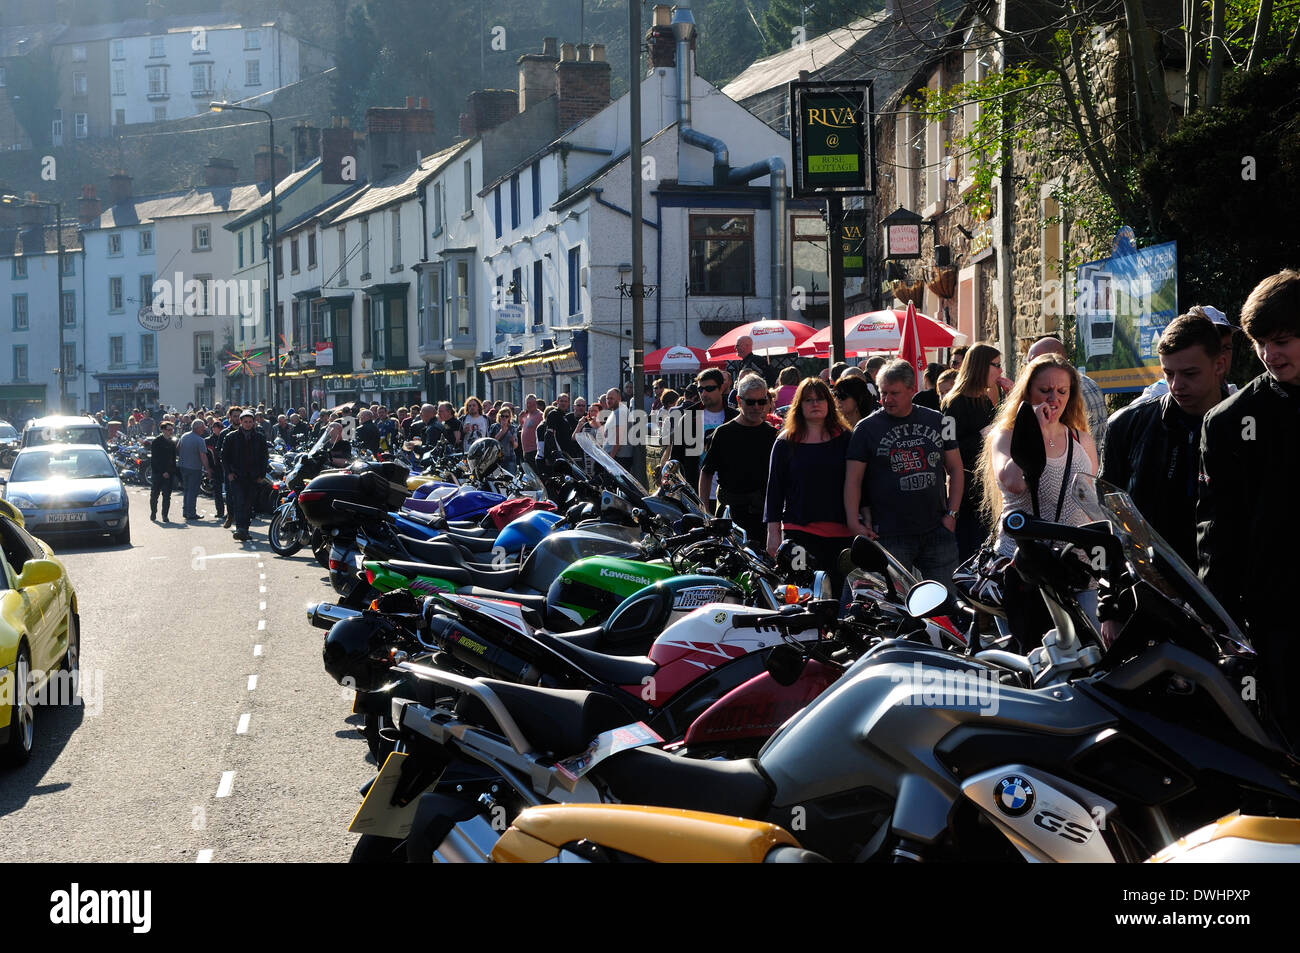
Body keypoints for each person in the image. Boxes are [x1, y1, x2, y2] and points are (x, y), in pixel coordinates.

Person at [1197, 269, 1300, 750]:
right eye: (1260, 342)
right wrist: (1221, 623)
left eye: (1282, 340)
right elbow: (1217, 528)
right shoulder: (1230, 421)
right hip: (1272, 619)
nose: (1269, 354)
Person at [981, 354, 1099, 652]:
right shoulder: (1004, 436)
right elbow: (1013, 481)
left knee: (1090, 652)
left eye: (1062, 391)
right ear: (1027, 391)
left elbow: (1091, 500)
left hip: (1075, 565)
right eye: (1045, 390)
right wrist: (1036, 431)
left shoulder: (1080, 439)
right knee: (1031, 656)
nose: (1053, 399)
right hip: (1024, 566)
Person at [1101, 313, 1226, 567]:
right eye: (1168, 373)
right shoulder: (1127, 426)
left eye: (1190, 373)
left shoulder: (1247, 423)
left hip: (1227, 584)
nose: (1176, 385)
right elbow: (1109, 510)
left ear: (1219, 365)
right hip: (1150, 581)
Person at [845, 359, 964, 604]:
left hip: (936, 529)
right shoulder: (865, 429)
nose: (887, 399)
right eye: (883, 393)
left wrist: (951, 514)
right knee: (891, 607)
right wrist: (853, 522)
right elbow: (853, 480)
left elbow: (956, 469)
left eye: (894, 393)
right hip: (888, 533)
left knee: (945, 604)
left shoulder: (940, 421)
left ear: (912, 390)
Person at [764, 377, 854, 588]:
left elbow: (860, 483)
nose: (815, 404)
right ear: (799, 405)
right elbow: (774, 490)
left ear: (829, 403)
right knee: (802, 593)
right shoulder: (785, 442)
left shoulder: (846, 438)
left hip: (841, 534)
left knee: (839, 597)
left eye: (821, 399)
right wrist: (773, 533)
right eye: (808, 400)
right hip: (798, 532)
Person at [941, 343, 1003, 561]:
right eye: (996, 365)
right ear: (980, 367)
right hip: (966, 490)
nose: (1000, 371)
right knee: (970, 552)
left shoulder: (984, 399)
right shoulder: (954, 402)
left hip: (986, 485)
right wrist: (985, 435)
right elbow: (948, 446)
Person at [699, 374, 778, 544]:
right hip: (730, 516)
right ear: (739, 400)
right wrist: (705, 512)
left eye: (761, 401)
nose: (756, 407)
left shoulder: (773, 434)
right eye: (750, 402)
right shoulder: (723, 433)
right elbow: (706, 474)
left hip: (763, 517)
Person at [1027, 335, 1107, 451]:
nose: (1028, 369)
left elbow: (1058, 444)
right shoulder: (1090, 383)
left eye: (1033, 362)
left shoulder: (1075, 390)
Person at [664, 367, 736, 492]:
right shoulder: (689, 418)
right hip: (696, 493)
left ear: (721, 388)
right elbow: (676, 458)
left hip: (729, 493)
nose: (704, 393)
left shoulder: (734, 417)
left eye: (709, 389)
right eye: (700, 389)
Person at [223, 409, 270, 542]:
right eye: (245, 421)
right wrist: (229, 473)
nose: (248, 424)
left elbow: (264, 457)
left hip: (253, 476)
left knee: (249, 504)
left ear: (254, 422)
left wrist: (262, 474)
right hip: (237, 476)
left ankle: (245, 529)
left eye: (250, 421)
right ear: (240, 422)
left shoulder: (260, 437)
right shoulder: (231, 437)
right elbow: (224, 457)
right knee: (239, 501)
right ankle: (240, 529)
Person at [177, 419, 211, 521]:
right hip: (194, 468)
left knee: (187, 490)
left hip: (183, 466)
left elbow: (178, 448)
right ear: (197, 428)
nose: (204, 429)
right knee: (193, 491)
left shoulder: (184, 436)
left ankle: (186, 511)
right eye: (202, 427)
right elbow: (203, 456)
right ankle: (191, 513)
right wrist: (208, 469)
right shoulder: (200, 440)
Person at [149, 421, 177, 522]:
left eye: (171, 430)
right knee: (154, 494)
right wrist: (162, 472)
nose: (171, 432)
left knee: (167, 496)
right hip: (158, 473)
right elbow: (155, 459)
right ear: (163, 430)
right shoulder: (156, 441)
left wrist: (172, 471)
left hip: (169, 473)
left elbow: (173, 458)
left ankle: (165, 515)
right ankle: (153, 512)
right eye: (169, 430)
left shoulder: (172, 442)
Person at [205, 419, 226, 523]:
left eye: (221, 427)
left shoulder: (225, 438)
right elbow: (206, 456)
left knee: (229, 491)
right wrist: (208, 468)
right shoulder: (207, 440)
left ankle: (231, 512)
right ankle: (220, 511)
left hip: (225, 468)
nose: (219, 429)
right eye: (217, 427)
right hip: (215, 468)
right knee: (217, 491)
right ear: (213, 429)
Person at [519, 394, 543, 470]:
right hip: (526, 451)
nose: (529, 405)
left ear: (535, 403)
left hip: (534, 450)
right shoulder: (527, 415)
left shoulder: (540, 415)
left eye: (531, 403)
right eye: (527, 403)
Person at [494, 407, 520, 472]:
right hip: (497, 458)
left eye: (506, 416)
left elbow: (516, 446)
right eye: (502, 416)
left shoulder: (512, 428)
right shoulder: (494, 427)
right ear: (499, 417)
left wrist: (513, 441)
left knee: (510, 479)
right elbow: (492, 442)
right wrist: (502, 431)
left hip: (510, 458)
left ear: (509, 418)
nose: (504, 418)